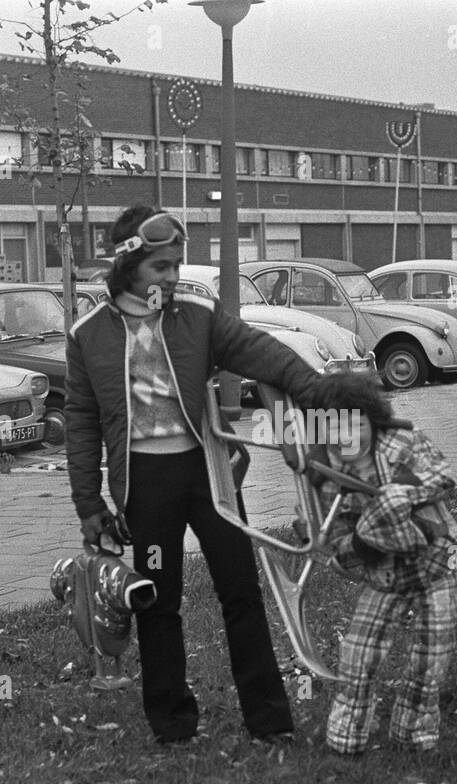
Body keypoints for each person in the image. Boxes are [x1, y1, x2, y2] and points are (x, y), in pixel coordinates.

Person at [64, 204, 374, 745]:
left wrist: (316, 392)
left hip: (209, 471)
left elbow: (261, 352)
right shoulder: (88, 334)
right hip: (145, 484)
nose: (172, 277)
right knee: (158, 598)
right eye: (160, 267)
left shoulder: (198, 314)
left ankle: (270, 718)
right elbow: (82, 422)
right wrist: (90, 505)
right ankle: (172, 723)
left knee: (241, 589)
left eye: (177, 265)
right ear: (127, 264)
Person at [312, 384, 457, 754]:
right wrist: (361, 546)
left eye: (356, 423)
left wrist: (402, 493)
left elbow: (441, 475)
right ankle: (347, 736)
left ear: (374, 422)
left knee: (432, 654)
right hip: (384, 573)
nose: (346, 433)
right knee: (358, 654)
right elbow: (331, 539)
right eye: (335, 425)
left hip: (437, 562)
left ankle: (413, 733)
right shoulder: (325, 476)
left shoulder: (402, 443)